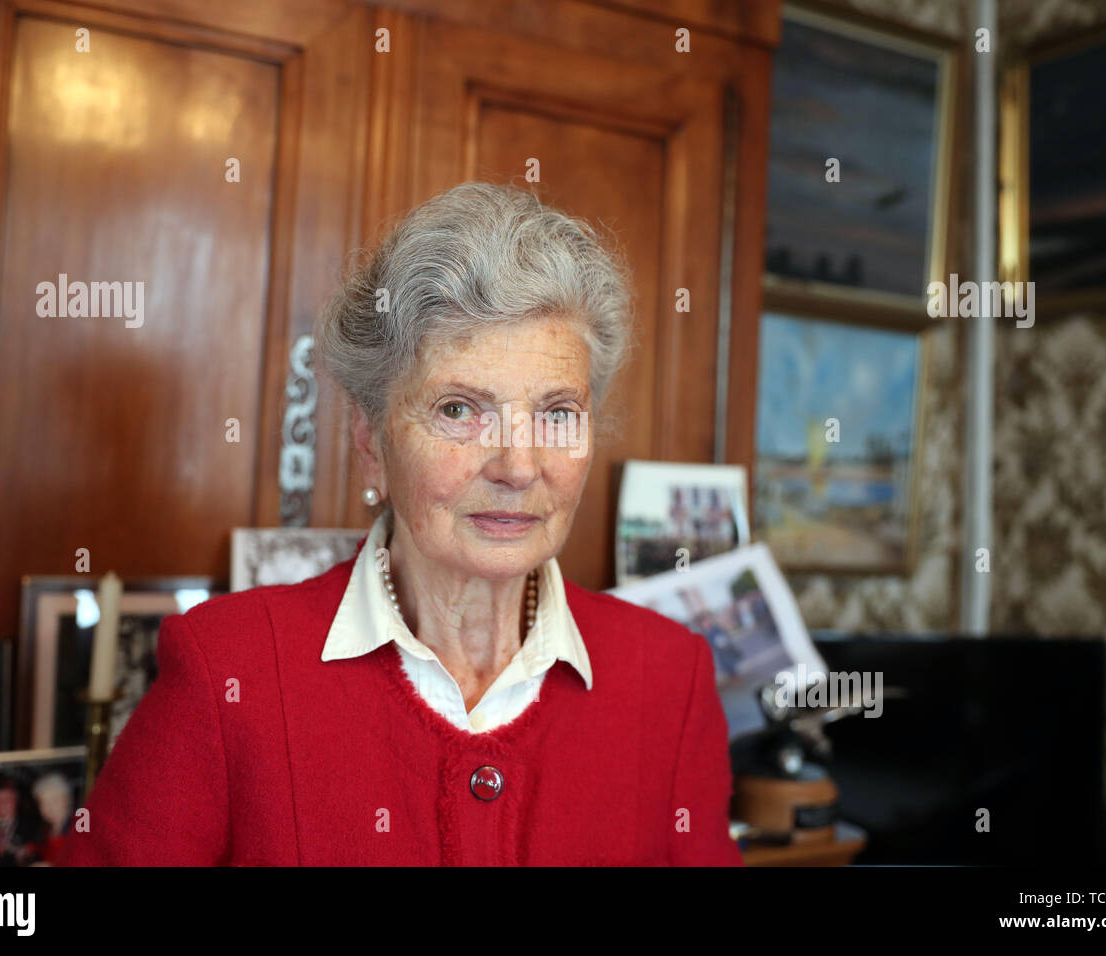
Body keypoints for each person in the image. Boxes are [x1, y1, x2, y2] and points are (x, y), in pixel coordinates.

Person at [61, 181, 743, 866]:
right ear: (371, 443)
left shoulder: (668, 678)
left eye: (556, 413)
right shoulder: (231, 670)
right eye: (458, 410)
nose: (518, 465)